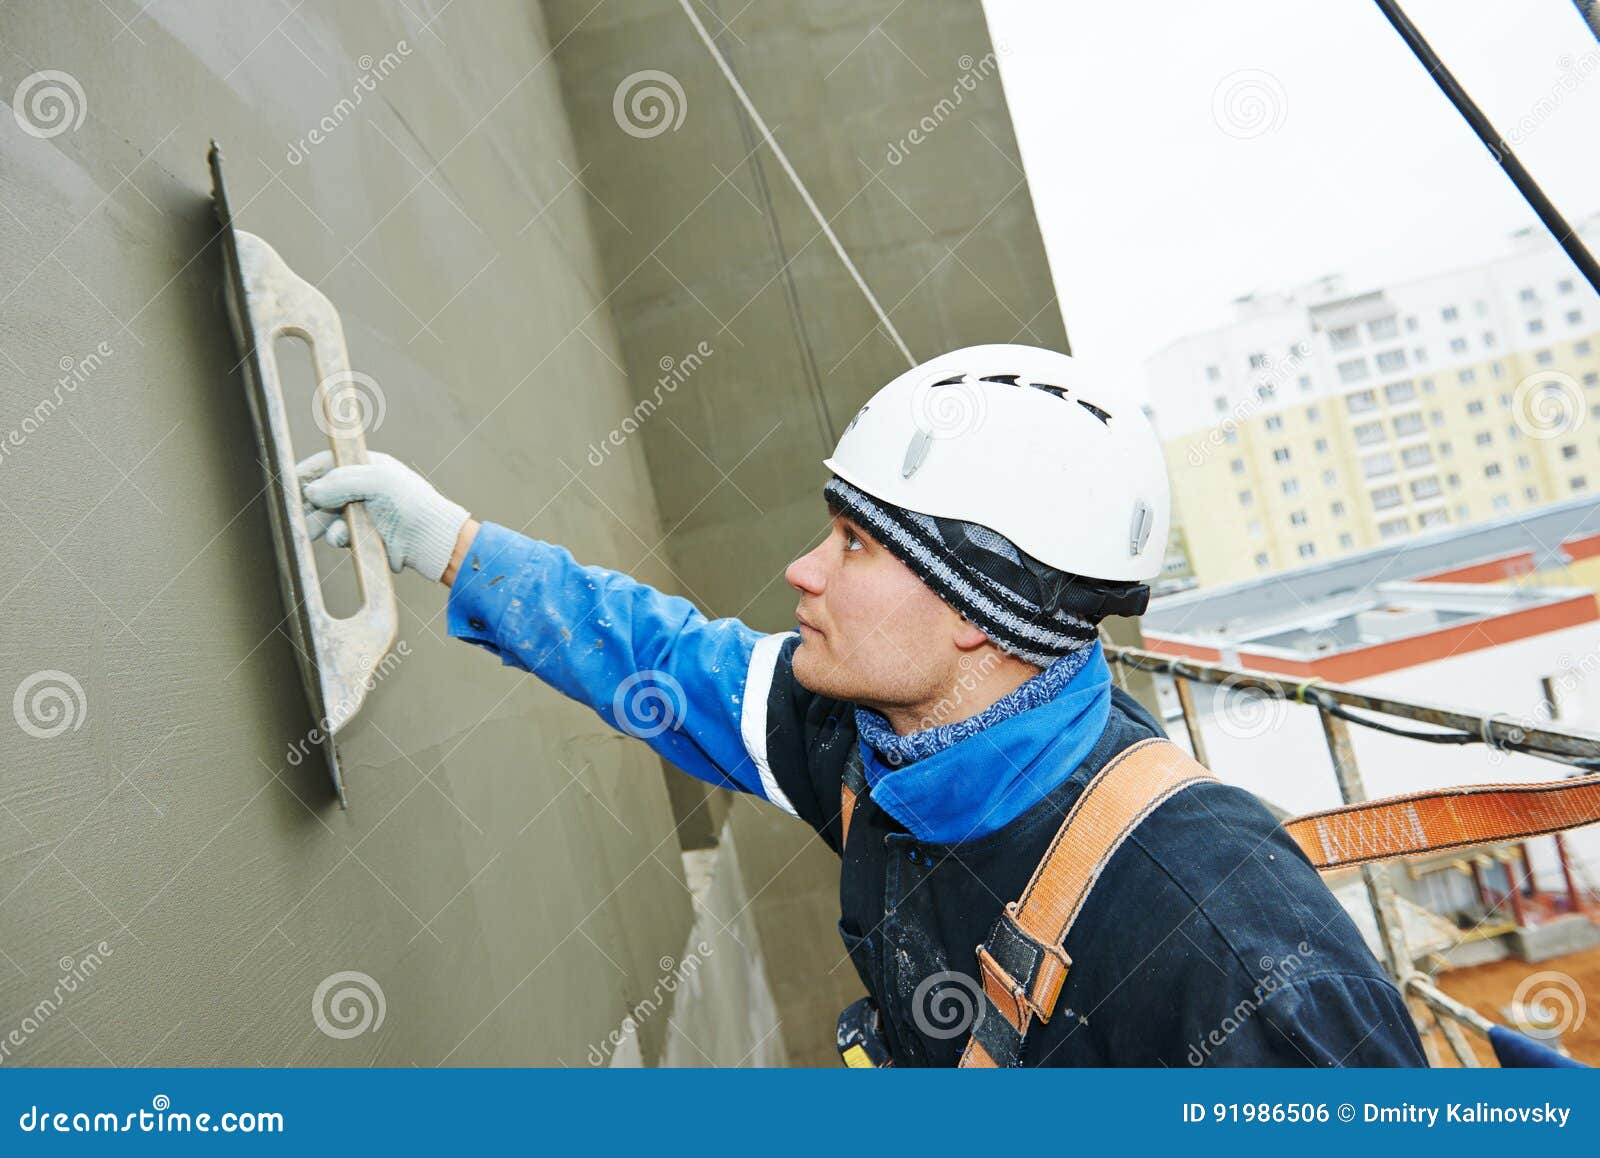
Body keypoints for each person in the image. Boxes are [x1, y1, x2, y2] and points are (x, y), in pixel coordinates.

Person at [298, 344, 1426, 1067]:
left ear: (977, 609)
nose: (802, 569)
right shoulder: (867, 741)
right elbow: (657, 659)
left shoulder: (1226, 947)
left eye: (852, 543)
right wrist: (448, 543)